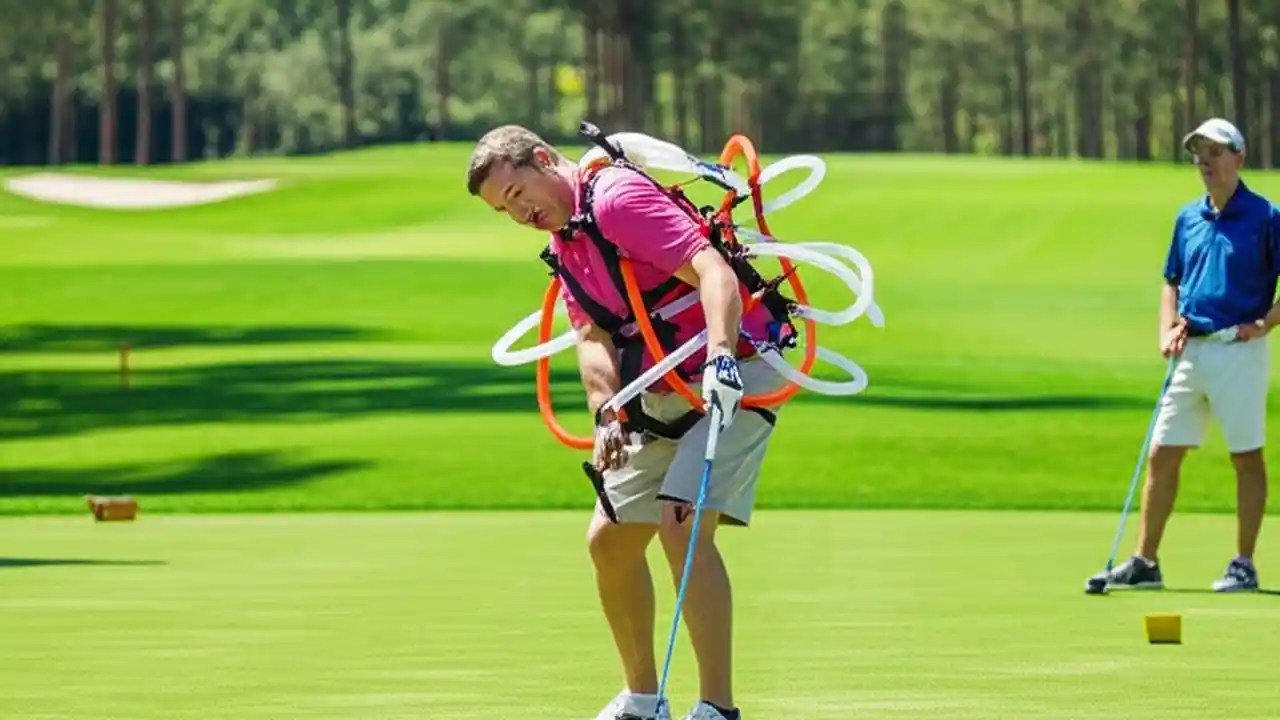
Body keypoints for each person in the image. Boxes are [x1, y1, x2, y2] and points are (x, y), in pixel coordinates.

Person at [466, 124, 793, 720]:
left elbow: (713, 271)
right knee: (609, 542)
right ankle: (644, 701)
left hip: (734, 370)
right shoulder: (567, 244)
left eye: (516, 195)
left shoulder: (617, 199)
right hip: (659, 390)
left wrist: (722, 359)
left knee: (680, 523)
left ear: (542, 159)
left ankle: (717, 708)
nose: (518, 214)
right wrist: (604, 411)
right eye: (502, 210)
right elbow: (590, 337)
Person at [1091, 117, 1280, 593]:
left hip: (1239, 350)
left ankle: (1244, 564)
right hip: (1190, 352)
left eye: (1216, 152)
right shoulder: (1187, 217)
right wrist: (1166, 329)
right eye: (1199, 152)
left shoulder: (1266, 217)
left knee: (1246, 457)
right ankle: (1145, 562)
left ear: (1239, 157)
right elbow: (1171, 280)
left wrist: (1263, 324)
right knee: (1162, 454)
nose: (1205, 161)